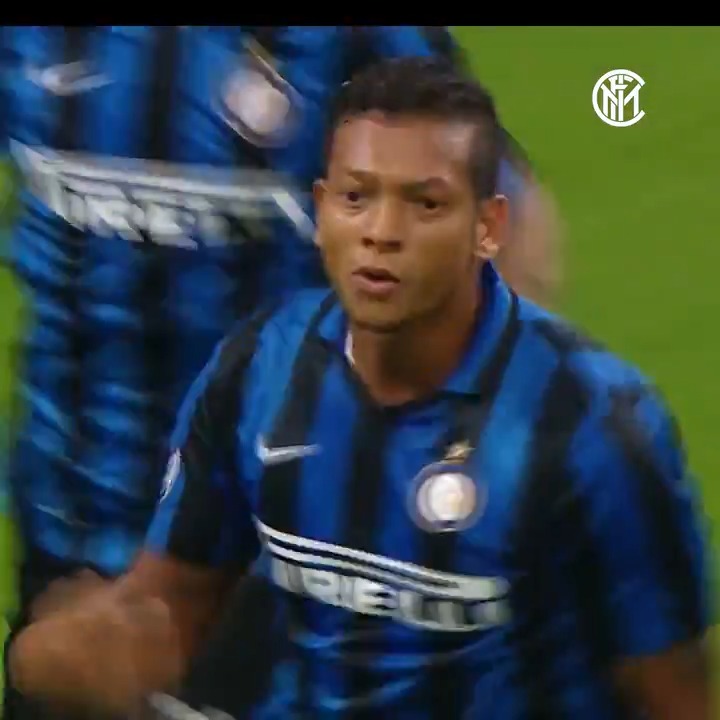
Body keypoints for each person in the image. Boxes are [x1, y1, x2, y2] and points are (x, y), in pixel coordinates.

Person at [7, 56, 714, 719]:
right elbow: (168, 609)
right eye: (356, 197)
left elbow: (677, 697)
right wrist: (67, 652)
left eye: (425, 204)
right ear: (321, 211)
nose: (382, 232)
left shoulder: (591, 430)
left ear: (489, 225)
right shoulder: (261, 368)